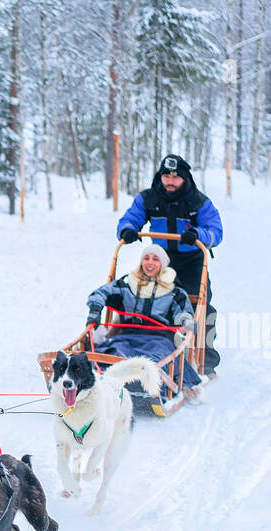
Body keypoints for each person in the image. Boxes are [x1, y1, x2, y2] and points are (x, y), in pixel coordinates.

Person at [116, 153, 222, 368]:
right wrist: (127, 230)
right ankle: (150, 349)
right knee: (148, 300)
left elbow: (216, 231)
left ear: (185, 178)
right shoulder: (148, 198)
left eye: (175, 177)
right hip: (161, 260)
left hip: (192, 260)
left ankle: (206, 362)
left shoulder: (198, 202)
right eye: (166, 176)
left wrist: (198, 235)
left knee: (199, 306)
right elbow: (130, 218)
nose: (170, 182)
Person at [85, 242, 200, 391]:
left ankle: (147, 388)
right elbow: (100, 293)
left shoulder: (175, 292)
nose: (150, 262)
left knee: (152, 360)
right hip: (127, 337)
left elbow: (183, 313)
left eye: (155, 259)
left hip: (159, 340)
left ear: (163, 265)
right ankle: (95, 382)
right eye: (146, 258)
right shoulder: (127, 285)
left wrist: (187, 322)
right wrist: (95, 311)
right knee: (112, 352)